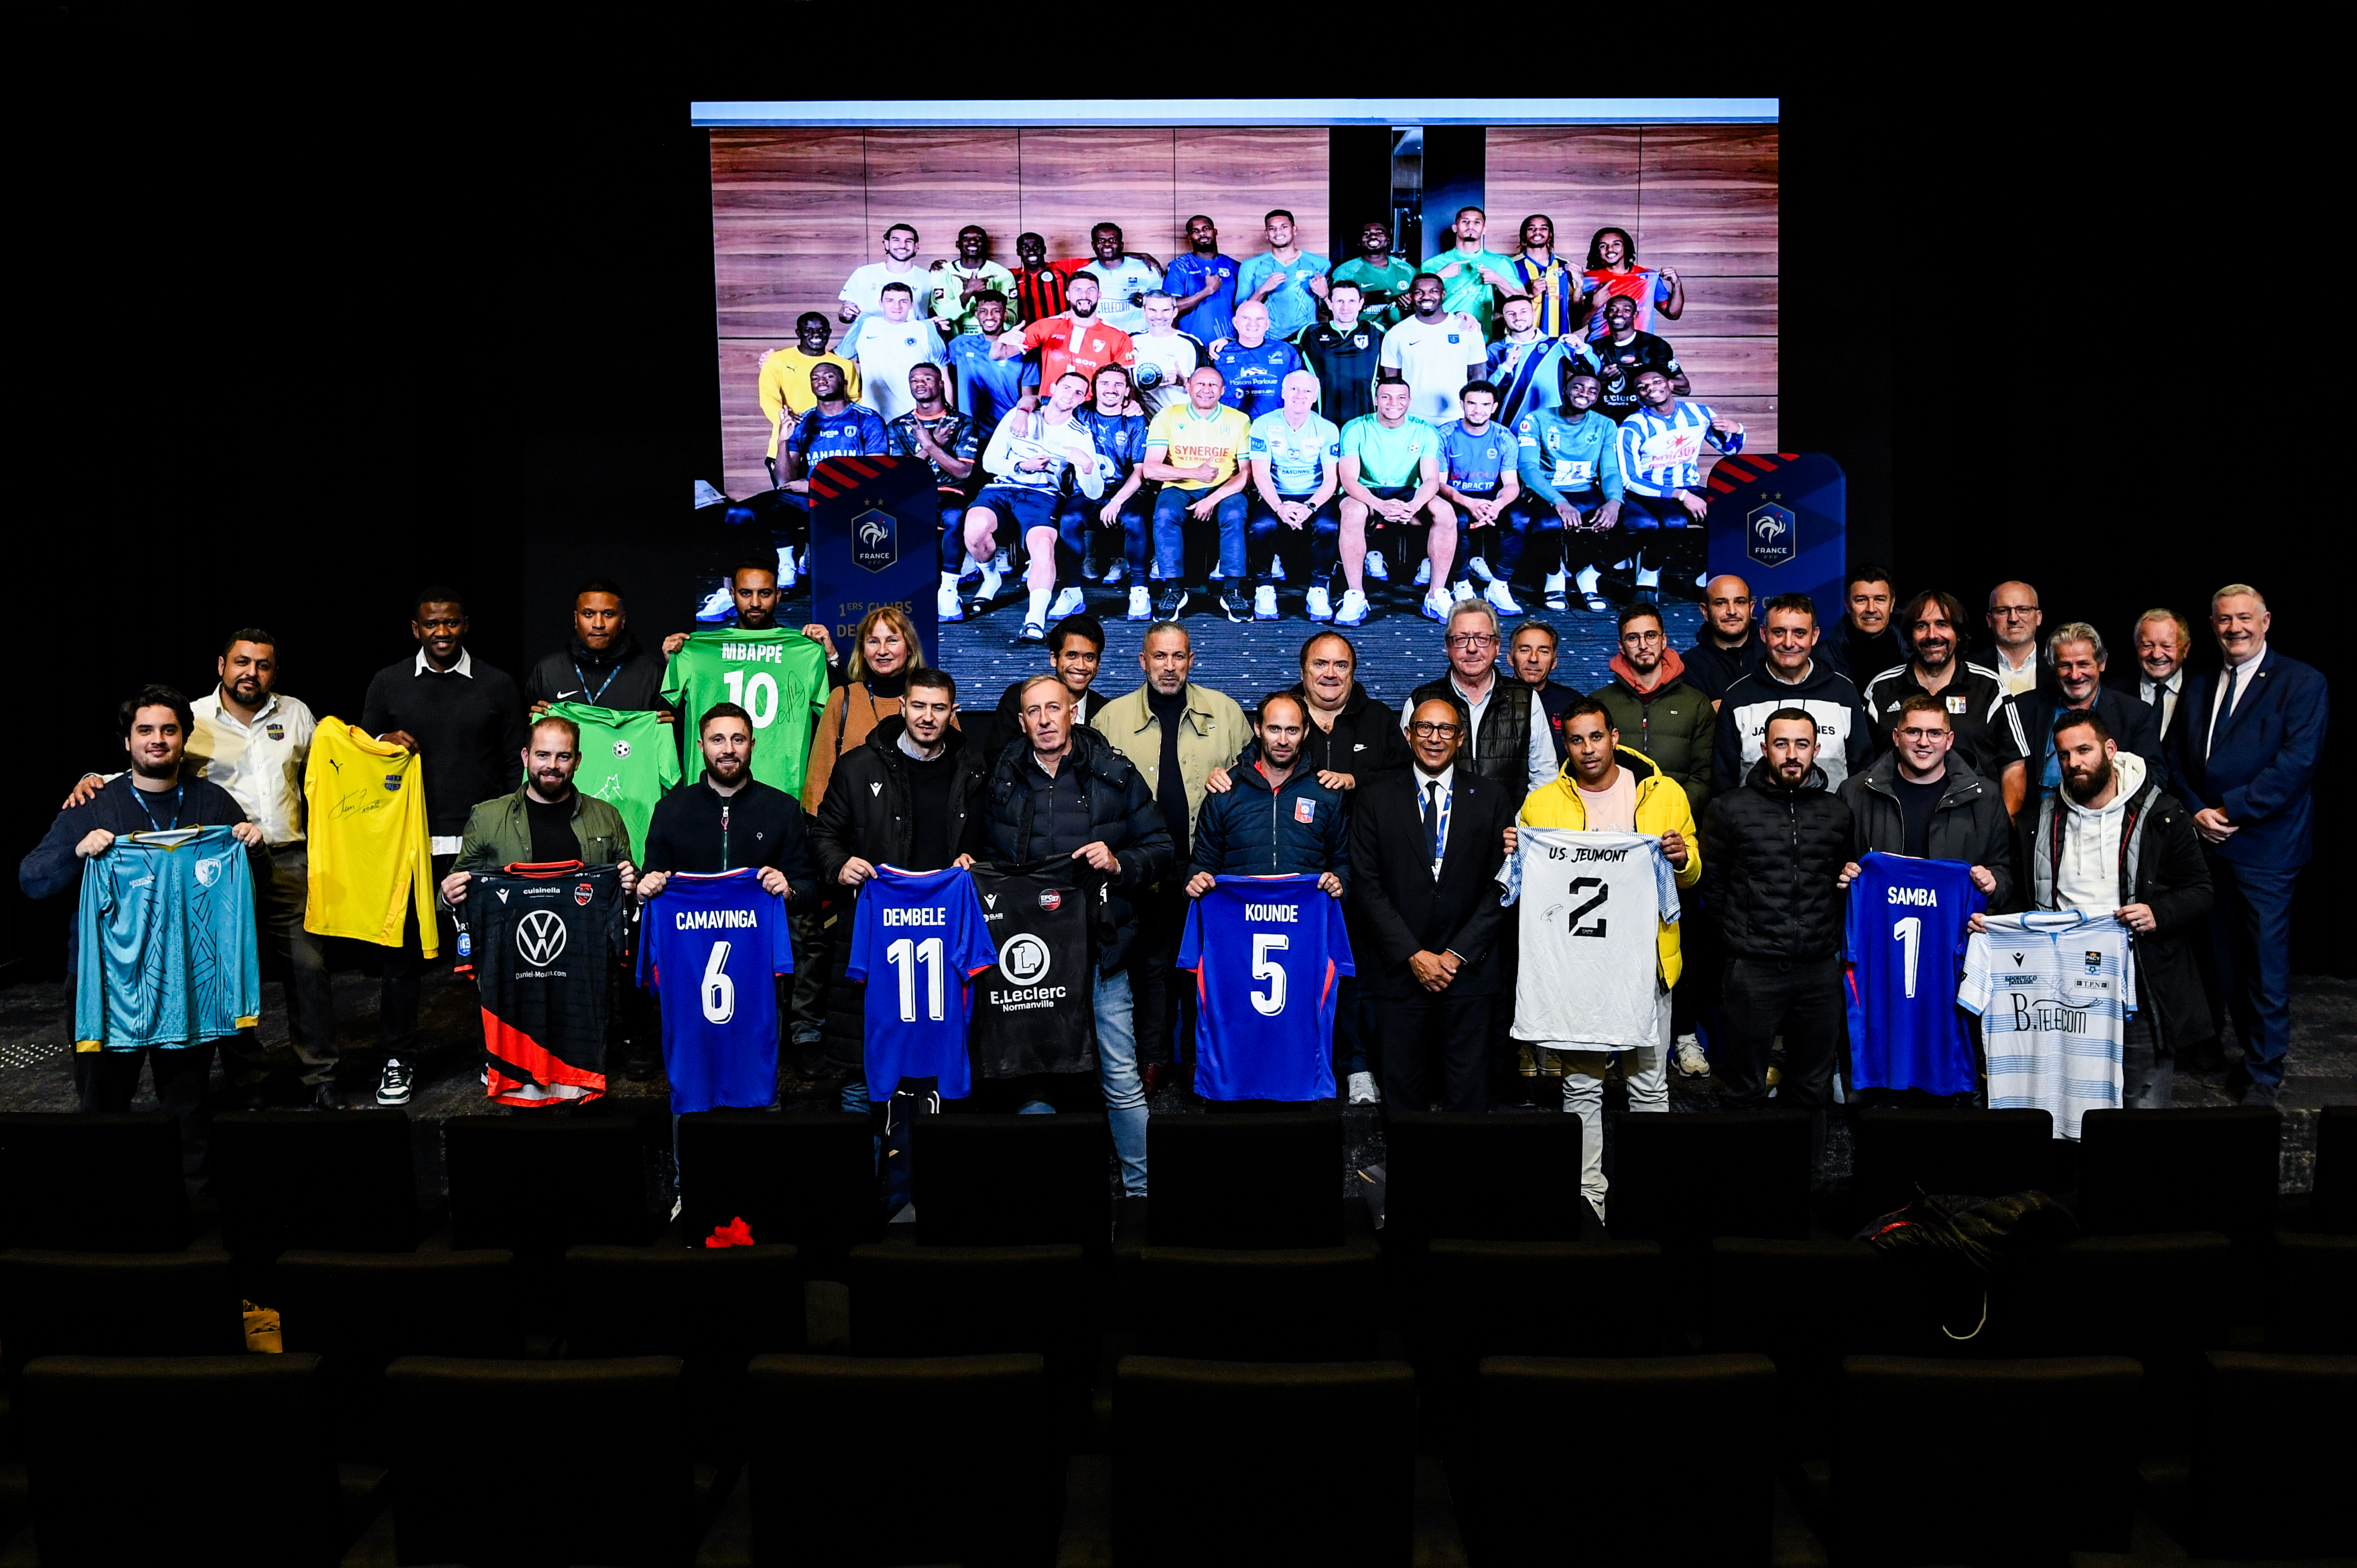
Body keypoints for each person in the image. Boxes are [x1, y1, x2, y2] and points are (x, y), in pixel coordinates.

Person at [63, 635, 336, 1108]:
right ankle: (247, 1080)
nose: (251, 672)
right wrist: (98, 779)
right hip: (213, 865)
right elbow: (153, 756)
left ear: (275, 671)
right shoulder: (196, 717)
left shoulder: (296, 714)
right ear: (221, 665)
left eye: (264, 664)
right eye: (241, 662)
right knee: (223, 969)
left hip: (284, 859)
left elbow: (334, 769)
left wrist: (382, 747)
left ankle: (321, 1077)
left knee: (309, 968)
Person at [23, 686, 262, 1181]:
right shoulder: (93, 806)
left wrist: (251, 848)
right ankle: (112, 1215)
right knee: (104, 1108)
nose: (158, 740)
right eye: (146, 731)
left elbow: (251, 891)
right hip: (106, 984)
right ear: (127, 742)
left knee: (189, 1108)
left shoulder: (212, 803)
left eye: (169, 730)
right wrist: (78, 853)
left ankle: (195, 1216)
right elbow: (32, 879)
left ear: (184, 739)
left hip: (189, 982)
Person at [978, 673, 1174, 1194]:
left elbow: (1161, 849)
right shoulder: (1001, 776)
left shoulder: (1114, 773)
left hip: (1099, 950)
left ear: (1073, 713)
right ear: (1021, 722)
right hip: (1026, 956)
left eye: (1054, 708)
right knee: (1031, 1076)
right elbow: (981, 851)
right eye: (1033, 712)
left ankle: (1143, 1198)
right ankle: (1043, 1198)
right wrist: (968, 863)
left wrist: (1119, 861)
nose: (1044, 719)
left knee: (1121, 1079)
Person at [1201, 631, 1411, 1103]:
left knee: (1349, 971)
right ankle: (1267, 1064)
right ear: (1303, 672)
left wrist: (1357, 780)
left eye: (1341, 665)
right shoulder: (1284, 718)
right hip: (1295, 879)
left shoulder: (1378, 720)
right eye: (1320, 664)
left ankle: (1355, 1065)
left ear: (1354, 672)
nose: (1330, 673)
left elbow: (1406, 775)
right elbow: (1254, 774)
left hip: (1361, 869)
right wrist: (1226, 774)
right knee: (1287, 980)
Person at [1518, 697, 1700, 1214]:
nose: (1588, 748)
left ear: (1614, 737)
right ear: (1566, 745)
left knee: (1648, 1088)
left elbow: (1693, 873)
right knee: (1581, 1091)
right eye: (1576, 739)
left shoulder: (1664, 793)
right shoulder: (1542, 803)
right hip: (1581, 972)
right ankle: (1587, 1201)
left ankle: (1649, 1199)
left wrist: (1683, 858)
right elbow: (1535, 892)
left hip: (1647, 966)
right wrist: (1518, 851)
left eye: (1596, 737)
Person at [360, 588, 526, 1107]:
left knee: (492, 961)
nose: (442, 633)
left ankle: (498, 1055)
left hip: (480, 848)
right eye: (432, 624)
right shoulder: (387, 683)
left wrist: (509, 842)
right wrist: (382, 746)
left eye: (451, 623)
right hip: (408, 849)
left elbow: (513, 767)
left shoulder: (497, 684)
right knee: (401, 963)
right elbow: (361, 763)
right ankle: (398, 1060)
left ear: (465, 626)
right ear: (416, 629)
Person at [2171, 584, 2326, 1105]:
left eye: (2244, 618)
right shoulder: (2198, 684)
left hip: (2266, 848)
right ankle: (2215, 1048)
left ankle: (2263, 1072)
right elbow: (2175, 759)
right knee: (2216, 961)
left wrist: (2231, 810)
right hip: (2207, 843)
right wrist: (2197, 812)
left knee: (2265, 964)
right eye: (2223, 619)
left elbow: (2297, 765)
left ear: (2265, 623)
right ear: (2212, 626)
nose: (2234, 627)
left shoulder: (2301, 682)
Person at [2017, 709, 2212, 1110]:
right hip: (2063, 984)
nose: (2074, 763)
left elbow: (2202, 890)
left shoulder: (2164, 813)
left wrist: (2159, 913)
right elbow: (2020, 893)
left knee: (2144, 1101)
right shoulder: (2041, 818)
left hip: (2139, 981)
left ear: (2110, 750)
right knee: (2069, 1100)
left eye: (2084, 750)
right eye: (2064, 755)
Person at [437, 713, 639, 1102]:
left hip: (580, 976)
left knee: (585, 1107)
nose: (552, 766)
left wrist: (631, 886)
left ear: (578, 761)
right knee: (527, 1113)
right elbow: (455, 897)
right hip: (514, 975)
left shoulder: (606, 817)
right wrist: (448, 896)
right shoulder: (489, 817)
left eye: (563, 757)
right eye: (543, 755)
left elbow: (625, 893)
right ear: (526, 756)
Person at [808, 670, 982, 1109]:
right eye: (919, 706)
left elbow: (994, 841)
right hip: (873, 930)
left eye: (939, 708)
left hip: (947, 937)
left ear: (953, 714)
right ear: (902, 706)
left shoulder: (976, 769)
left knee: (944, 1068)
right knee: (860, 1072)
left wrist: (977, 864)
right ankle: (865, 1178)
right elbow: (823, 836)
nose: (927, 717)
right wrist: (840, 864)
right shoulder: (858, 766)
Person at [1094, 623, 1248, 1090]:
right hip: (1142, 867)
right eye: (1159, 657)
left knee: (1204, 968)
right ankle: (1154, 1060)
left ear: (1191, 660)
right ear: (1143, 661)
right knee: (1150, 966)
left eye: (1178, 656)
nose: (1169, 667)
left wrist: (1235, 780)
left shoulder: (1224, 711)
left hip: (1210, 866)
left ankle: (1198, 1060)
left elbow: (1257, 781)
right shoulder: (1111, 719)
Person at [1350, 697, 1519, 1112]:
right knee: (1402, 1102)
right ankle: (1410, 1180)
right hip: (1400, 976)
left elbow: (1503, 887)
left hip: (1469, 977)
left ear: (1460, 739)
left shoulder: (1492, 797)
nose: (1434, 738)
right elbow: (1367, 886)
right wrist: (1413, 954)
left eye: (1446, 729)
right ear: (1409, 733)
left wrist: (1455, 955)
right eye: (1425, 727)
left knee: (1470, 1100)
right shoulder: (1375, 798)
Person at [1699, 709, 1852, 1158]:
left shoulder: (1837, 813)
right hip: (1752, 968)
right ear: (1764, 748)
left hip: (1819, 970)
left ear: (1816, 750)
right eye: (1781, 744)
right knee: (1744, 1086)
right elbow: (1714, 885)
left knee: (1811, 1087)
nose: (1791, 754)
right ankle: (1743, 1188)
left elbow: (1842, 883)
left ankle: (1807, 1187)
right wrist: (1741, 935)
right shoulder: (1729, 808)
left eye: (1801, 745)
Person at [948, 370, 1103, 637]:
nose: (1070, 396)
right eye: (1066, 388)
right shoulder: (1019, 416)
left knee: (1043, 546)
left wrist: (1088, 466)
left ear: (1083, 399)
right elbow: (989, 462)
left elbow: (1094, 491)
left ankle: (1035, 620)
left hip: (1043, 495)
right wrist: (1022, 465)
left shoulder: (1080, 433)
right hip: (1002, 487)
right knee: (974, 528)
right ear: (1054, 387)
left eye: (1078, 393)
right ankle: (991, 576)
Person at [1837, 692, 2015, 915]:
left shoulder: (1985, 796)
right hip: (1879, 930)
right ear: (1896, 737)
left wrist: (1993, 883)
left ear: (1949, 740)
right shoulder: (1855, 793)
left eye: (1935, 733)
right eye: (1913, 732)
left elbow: (2006, 871)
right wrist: (1843, 874)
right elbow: (1833, 868)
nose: (1923, 742)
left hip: (1956, 932)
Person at [1859, 589, 2030, 817]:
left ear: (1958, 633)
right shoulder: (1881, 689)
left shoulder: (1991, 688)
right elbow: (1861, 767)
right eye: (1921, 626)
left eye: (1942, 624)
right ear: (1910, 635)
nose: (1932, 635)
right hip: (1897, 822)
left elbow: (2014, 767)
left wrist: (2000, 828)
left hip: (1974, 824)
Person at [1184, 690, 1350, 901]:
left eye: (1292, 730)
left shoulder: (1327, 794)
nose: (1283, 740)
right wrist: (1197, 880)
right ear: (1258, 728)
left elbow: (1342, 866)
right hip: (1240, 920)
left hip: (1303, 921)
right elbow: (1202, 864)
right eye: (1274, 729)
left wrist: (1339, 884)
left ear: (1306, 732)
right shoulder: (1224, 791)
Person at [1712, 593, 1875, 795]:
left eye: (1799, 633)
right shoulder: (1738, 698)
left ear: (1814, 636)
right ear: (1763, 634)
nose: (1789, 643)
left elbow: (1863, 773)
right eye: (1779, 632)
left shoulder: (1843, 692)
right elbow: (1723, 783)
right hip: (1757, 825)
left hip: (1830, 823)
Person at [1402, 599, 1558, 796]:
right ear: (1448, 647)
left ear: (1497, 646)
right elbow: (1403, 776)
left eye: (1482, 639)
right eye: (1461, 639)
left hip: (1512, 824)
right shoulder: (1421, 701)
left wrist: (1518, 824)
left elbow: (1545, 778)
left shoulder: (1526, 700)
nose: (1472, 649)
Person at [1614, 367, 1744, 599]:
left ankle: (1706, 580)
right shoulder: (1632, 426)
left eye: (1656, 382)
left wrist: (1737, 429)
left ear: (1671, 386)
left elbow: (1730, 449)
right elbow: (1630, 480)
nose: (1651, 388)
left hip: (1690, 486)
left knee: (1736, 517)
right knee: (1674, 521)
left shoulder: (1699, 414)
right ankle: (1648, 573)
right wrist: (1682, 496)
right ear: (1638, 396)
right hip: (1650, 491)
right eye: (1643, 388)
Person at [1336, 376, 1451, 626]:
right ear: (1376, 399)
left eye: (1401, 398)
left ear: (1409, 401)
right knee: (1352, 512)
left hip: (1409, 492)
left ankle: (1436, 594)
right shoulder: (1355, 428)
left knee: (1445, 513)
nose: (1393, 403)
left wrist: (1413, 506)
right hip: (1368, 491)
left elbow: (1431, 479)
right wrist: (1381, 506)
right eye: (1386, 397)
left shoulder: (1424, 431)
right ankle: (1355, 594)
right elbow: (1349, 480)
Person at [1142, 364, 1253, 622]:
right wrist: (1195, 473)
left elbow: (1246, 474)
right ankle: (1173, 590)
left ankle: (1232, 590)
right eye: (1201, 384)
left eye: (1213, 385)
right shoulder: (1167, 416)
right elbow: (1150, 469)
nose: (1207, 390)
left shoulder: (1239, 420)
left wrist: (1212, 499)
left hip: (1224, 488)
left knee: (1235, 513)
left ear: (1223, 390)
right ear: (1189, 387)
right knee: (1165, 513)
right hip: (1180, 486)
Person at [1512, 370, 1624, 613]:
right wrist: (1558, 501)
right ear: (1564, 390)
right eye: (1578, 387)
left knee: (1638, 524)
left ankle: (1590, 575)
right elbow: (1528, 468)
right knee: (1547, 524)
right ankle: (1554, 576)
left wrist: (1614, 501)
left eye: (1593, 390)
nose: (1585, 393)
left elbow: (1610, 470)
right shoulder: (1535, 420)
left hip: (1586, 490)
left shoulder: (1605, 425)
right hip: (1547, 490)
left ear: (1597, 397)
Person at [1591, 603, 1716, 820]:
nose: (1643, 645)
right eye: (1633, 638)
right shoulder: (1599, 703)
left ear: (1664, 640)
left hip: (1677, 825)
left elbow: (1705, 774)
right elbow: (1587, 770)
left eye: (1651, 636)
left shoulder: (1695, 703)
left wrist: (1673, 814)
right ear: (1621, 646)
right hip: (1612, 825)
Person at [773, 362, 890, 591]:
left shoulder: (867, 419)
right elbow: (783, 481)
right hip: (811, 499)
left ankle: (819, 558)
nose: (822, 381)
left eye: (829, 376)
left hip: (853, 497)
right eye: (816, 378)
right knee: (761, 508)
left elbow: (875, 475)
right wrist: (783, 441)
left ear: (844, 383)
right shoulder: (803, 421)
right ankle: (786, 562)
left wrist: (814, 485)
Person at [802, 606, 930, 816]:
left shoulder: (930, 701)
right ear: (863, 650)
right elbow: (819, 781)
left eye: (892, 640)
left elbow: (957, 775)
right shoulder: (842, 699)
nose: (882, 651)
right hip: (852, 837)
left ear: (910, 647)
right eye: (873, 642)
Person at [2015, 623, 2163, 801]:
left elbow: (2156, 777)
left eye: (2083, 664)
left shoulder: (2134, 714)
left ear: (2102, 663)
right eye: (2065, 666)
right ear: (2053, 667)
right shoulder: (2024, 708)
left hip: (2110, 823)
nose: (2075, 675)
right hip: (2037, 823)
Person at [1245, 369, 1343, 621]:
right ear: (1283, 393)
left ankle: (1318, 590)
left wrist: (1309, 507)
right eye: (1294, 389)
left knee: (1328, 526)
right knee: (1261, 526)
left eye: (1307, 391)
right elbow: (1261, 474)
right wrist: (1279, 507)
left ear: (1315, 397)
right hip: (1276, 494)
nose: (1300, 395)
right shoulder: (1263, 424)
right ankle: (1264, 588)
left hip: (1314, 494)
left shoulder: (1327, 429)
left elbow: (1332, 480)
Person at [1435, 380, 1525, 616]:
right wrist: (1467, 503)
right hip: (1456, 496)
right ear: (1462, 404)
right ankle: (1461, 583)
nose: (1478, 410)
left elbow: (1512, 484)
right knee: (1458, 522)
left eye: (1485, 404)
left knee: (1521, 520)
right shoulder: (1445, 434)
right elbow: (1439, 483)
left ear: (1494, 407)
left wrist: (1497, 505)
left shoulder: (1505, 438)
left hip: (1492, 498)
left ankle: (1499, 585)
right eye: (1472, 403)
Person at [524, 578, 670, 716]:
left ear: (623, 620)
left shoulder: (652, 673)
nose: (598, 624)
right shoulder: (548, 672)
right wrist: (536, 726)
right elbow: (527, 736)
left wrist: (667, 725)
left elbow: (677, 731)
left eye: (608, 614)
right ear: (576, 619)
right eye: (589, 614)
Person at [1069, 363, 1152, 602]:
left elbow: (1140, 472)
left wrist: (1116, 502)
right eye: (1104, 383)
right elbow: (1043, 404)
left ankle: (1140, 589)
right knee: (1070, 519)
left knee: (1134, 519)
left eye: (1118, 384)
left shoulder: (1136, 421)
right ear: (1094, 387)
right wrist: (1023, 409)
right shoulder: (1079, 414)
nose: (1111, 389)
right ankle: (1071, 589)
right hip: (1085, 488)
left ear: (1128, 391)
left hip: (1124, 490)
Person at [979, 613, 1111, 763]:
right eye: (1072, 656)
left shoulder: (1107, 710)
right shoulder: (1020, 697)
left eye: (1089, 657)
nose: (1080, 666)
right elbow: (996, 757)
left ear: (1098, 664)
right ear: (1054, 659)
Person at [993, 272, 1136, 401]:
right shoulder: (1046, 326)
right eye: (1077, 290)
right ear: (1068, 295)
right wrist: (1001, 340)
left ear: (1099, 294)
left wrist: (1131, 404)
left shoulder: (1119, 337)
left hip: (1092, 412)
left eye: (1091, 290)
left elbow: (1126, 382)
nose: (1084, 295)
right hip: (1050, 408)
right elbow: (997, 355)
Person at [885, 361, 980, 549]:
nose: (920, 384)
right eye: (914, 380)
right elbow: (899, 475)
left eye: (927, 379)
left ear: (941, 384)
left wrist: (929, 444)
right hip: (912, 491)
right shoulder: (898, 425)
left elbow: (963, 473)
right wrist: (931, 445)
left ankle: (950, 579)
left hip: (950, 491)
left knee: (954, 515)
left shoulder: (962, 423)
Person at [756, 313, 861, 481]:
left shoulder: (844, 365)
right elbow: (769, 400)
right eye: (809, 331)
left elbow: (855, 403)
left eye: (821, 330)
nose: (816, 335)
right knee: (789, 502)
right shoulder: (777, 361)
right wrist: (789, 424)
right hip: (789, 445)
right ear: (799, 333)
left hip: (832, 447)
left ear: (829, 332)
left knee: (830, 503)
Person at [1380, 273, 1489, 426]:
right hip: (1414, 418)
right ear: (1411, 296)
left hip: (1457, 416)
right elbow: (1391, 384)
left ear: (1443, 294)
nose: (1426, 297)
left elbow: (1478, 376)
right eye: (1419, 292)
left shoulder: (1468, 328)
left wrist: (1472, 412)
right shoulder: (1396, 334)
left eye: (1433, 291)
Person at [944, 291, 1033, 452]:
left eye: (996, 311)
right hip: (970, 432)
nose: (989, 317)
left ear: (1005, 315)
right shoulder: (960, 344)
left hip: (1007, 430)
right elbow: (947, 381)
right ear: (976, 315)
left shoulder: (1022, 349)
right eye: (983, 311)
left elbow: (1028, 395)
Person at [848, 281, 948, 425]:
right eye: (890, 301)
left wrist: (948, 415)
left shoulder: (926, 328)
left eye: (903, 301)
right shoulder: (865, 324)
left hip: (917, 417)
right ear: (881, 303)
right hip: (874, 418)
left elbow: (943, 376)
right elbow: (838, 359)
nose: (897, 307)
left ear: (912, 304)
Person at [1486, 292, 1589, 429]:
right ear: (1504, 318)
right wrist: (1506, 367)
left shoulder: (1557, 345)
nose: (1518, 318)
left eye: (1523, 312)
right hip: (1506, 425)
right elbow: (1487, 391)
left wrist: (1583, 349)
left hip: (1550, 424)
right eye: (1511, 314)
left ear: (1534, 314)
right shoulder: (1495, 350)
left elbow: (1593, 373)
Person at [1295, 278, 1383, 427]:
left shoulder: (1376, 333)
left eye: (1352, 301)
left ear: (1361, 304)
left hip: (1366, 421)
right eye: (1340, 301)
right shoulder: (1310, 334)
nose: (1345, 307)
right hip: (1323, 420)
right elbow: (1277, 353)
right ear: (1330, 304)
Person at [1233, 209, 1329, 343]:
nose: (1278, 233)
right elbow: (1240, 312)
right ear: (1267, 234)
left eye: (1284, 227)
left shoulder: (1320, 264)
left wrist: (1324, 296)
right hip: (1266, 341)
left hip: (1307, 340)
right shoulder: (1250, 266)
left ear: (1294, 230)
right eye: (1272, 229)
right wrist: (1263, 290)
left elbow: (1330, 312)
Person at [1424, 206, 1518, 339]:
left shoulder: (1500, 262)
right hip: (1438, 336)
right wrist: (1440, 276)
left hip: (1481, 338)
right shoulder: (1432, 264)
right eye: (1465, 221)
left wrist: (1498, 280)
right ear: (1455, 228)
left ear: (1484, 229)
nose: (1471, 226)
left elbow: (1522, 300)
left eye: (1477, 222)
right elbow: (1417, 302)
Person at [1577, 225, 1684, 341]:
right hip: (1599, 352)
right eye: (1603, 246)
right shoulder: (1587, 280)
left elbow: (1673, 315)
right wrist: (1594, 306)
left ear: (1625, 247)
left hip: (1641, 351)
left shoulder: (1648, 277)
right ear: (1597, 251)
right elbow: (1574, 325)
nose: (1610, 249)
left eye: (1616, 244)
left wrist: (1677, 285)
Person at [1587, 294, 1683, 423]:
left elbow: (1684, 387)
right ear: (1605, 315)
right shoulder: (1594, 348)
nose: (1618, 313)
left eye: (1626, 310)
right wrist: (1602, 380)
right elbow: (1582, 389)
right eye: (1613, 310)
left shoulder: (1655, 345)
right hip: (1604, 421)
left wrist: (1646, 381)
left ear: (1635, 315)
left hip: (1645, 420)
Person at [2121, 607, 2197, 767]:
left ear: (2186, 648)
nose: (2156, 655)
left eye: (2167, 646)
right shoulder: (2116, 694)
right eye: (2148, 645)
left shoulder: (2204, 691)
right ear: (2136, 646)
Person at [836, 222, 930, 350]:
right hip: (871, 347)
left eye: (909, 241)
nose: (903, 245)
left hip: (913, 347)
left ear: (916, 246)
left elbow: (934, 317)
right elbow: (844, 314)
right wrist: (846, 313)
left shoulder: (928, 278)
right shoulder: (864, 274)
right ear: (887, 244)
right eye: (896, 240)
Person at [1061, 222, 1162, 336]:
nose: (1107, 244)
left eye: (1113, 240)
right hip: (1099, 340)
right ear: (1093, 245)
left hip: (1139, 338)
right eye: (1101, 240)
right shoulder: (1084, 274)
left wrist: (1148, 301)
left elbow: (1164, 301)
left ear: (1122, 245)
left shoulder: (1146, 269)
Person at [1211, 300, 1303, 421]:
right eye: (1246, 318)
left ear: (1268, 324)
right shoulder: (1219, 352)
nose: (1252, 324)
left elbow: (1300, 389)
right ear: (1235, 322)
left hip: (1275, 425)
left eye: (1259, 319)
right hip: (1231, 426)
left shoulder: (1286, 351)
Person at [1819, 566, 1903, 693]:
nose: (1871, 609)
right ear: (1847, 605)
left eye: (1880, 600)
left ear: (1891, 604)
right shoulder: (1822, 658)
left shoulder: (1913, 650)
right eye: (1861, 600)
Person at [922, 224, 1016, 337]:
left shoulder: (1003, 274)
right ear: (958, 245)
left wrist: (987, 297)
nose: (972, 242)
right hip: (956, 344)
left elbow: (1011, 321)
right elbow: (943, 315)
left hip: (993, 343)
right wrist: (967, 293)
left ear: (986, 245)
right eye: (966, 238)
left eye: (978, 239)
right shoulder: (942, 272)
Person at [1128, 290, 1209, 419]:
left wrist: (1182, 382)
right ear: (1144, 312)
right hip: (1145, 422)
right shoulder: (1131, 341)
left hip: (1182, 421)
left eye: (1165, 311)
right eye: (1153, 310)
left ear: (1175, 312)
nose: (1159, 316)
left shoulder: (1191, 344)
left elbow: (1207, 387)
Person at [1161, 214, 1239, 347]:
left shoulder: (1234, 266)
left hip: (1228, 344)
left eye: (1206, 228)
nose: (1202, 233)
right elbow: (1168, 308)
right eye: (1195, 231)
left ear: (1215, 232)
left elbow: (1245, 306)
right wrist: (1207, 291)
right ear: (1189, 238)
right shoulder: (1179, 267)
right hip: (1191, 346)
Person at [1686, 575, 1763, 706]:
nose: (1732, 611)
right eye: (1721, 603)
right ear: (1705, 611)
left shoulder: (1773, 654)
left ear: (1751, 608)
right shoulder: (1689, 665)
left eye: (1740, 602)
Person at [1508, 622, 1577, 761]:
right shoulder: (1492, 700)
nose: (1534, 659)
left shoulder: (1573, 703)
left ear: (1554, 662)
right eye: (1525, 650)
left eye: (1544, 651)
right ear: (1510, 658)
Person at [1330, 217, 1418, 327]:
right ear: (1359, 241)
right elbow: (1336, 307)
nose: (1373, 236)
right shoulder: (1346, 271)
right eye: (1367, 234)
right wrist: (1370, 296)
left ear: (1388, 240)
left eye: (1380, 233)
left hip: (1400, 331)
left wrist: (1410, 304)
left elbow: (1419, 302)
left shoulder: (1407, 270)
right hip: (1362, 334)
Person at [1507, 214, 1582, 340]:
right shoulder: (1510, 266)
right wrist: (1531, 294)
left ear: (1550, 235)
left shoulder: (1566, 266)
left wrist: (1580, 286)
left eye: (1544, 228)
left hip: (1560, 339)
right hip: (1523, 341)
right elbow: (1501, 308)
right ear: (1524, 235)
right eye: (1531, 229)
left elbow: (1576, 310)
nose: (1537, 232)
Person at [1981, 580, 2044, 697]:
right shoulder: (1968, 668)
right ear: (1990, 620)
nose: (2013, 618)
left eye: (2023, 610)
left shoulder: (2057, 668)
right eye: (2003, 611)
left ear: (2038, 618)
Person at [1007, 231, 1069, 328]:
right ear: (1018, 252)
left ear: (1044, 250)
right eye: (1025, 248)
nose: (1032, 251)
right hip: (1026, 336)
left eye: (1037, 247)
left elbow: (1095, 263)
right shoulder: (1010, 277)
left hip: (1060, 332)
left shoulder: (1063, 269)